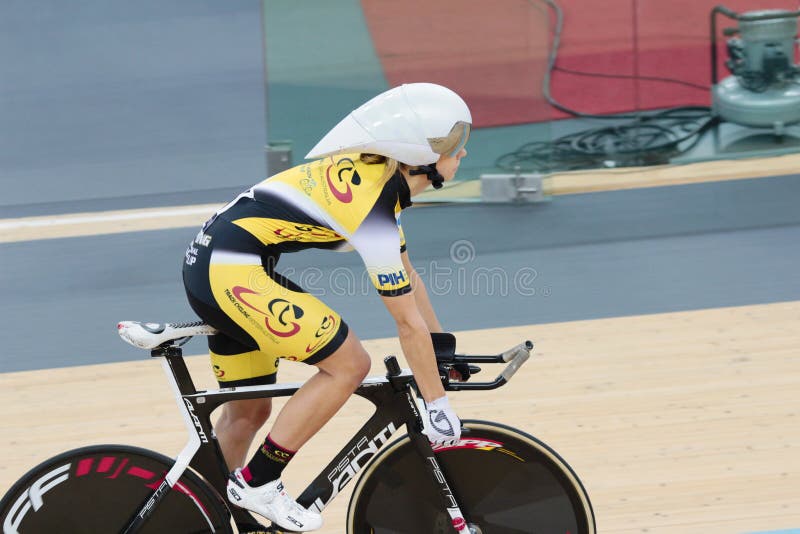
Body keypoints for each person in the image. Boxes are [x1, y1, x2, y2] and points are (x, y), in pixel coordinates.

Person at [182, 82, 471, 531]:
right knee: (349, 364)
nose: (464, 156)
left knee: (249, 413)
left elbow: (409, 281)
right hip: (230, 272)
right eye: (458, 148)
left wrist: (441, 350)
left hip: (217, 263)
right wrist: (437, 405)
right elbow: (405, 324)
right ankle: (259, 482)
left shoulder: (380, 178)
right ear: (424, 159)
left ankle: (196, 516)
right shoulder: (372, 210)